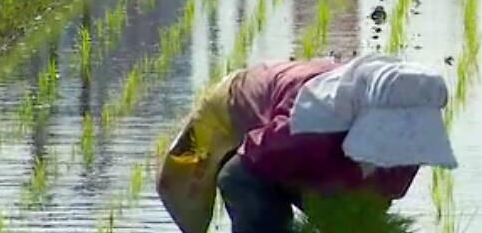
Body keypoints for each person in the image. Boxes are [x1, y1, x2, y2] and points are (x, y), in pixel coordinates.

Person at [157, 55, 457, 233]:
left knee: (346, 212)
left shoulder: (410, 149)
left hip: (315, 149)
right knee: (249, 201)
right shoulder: (306, 129)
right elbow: (235, 176)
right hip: (231, 111)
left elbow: (371, 204)